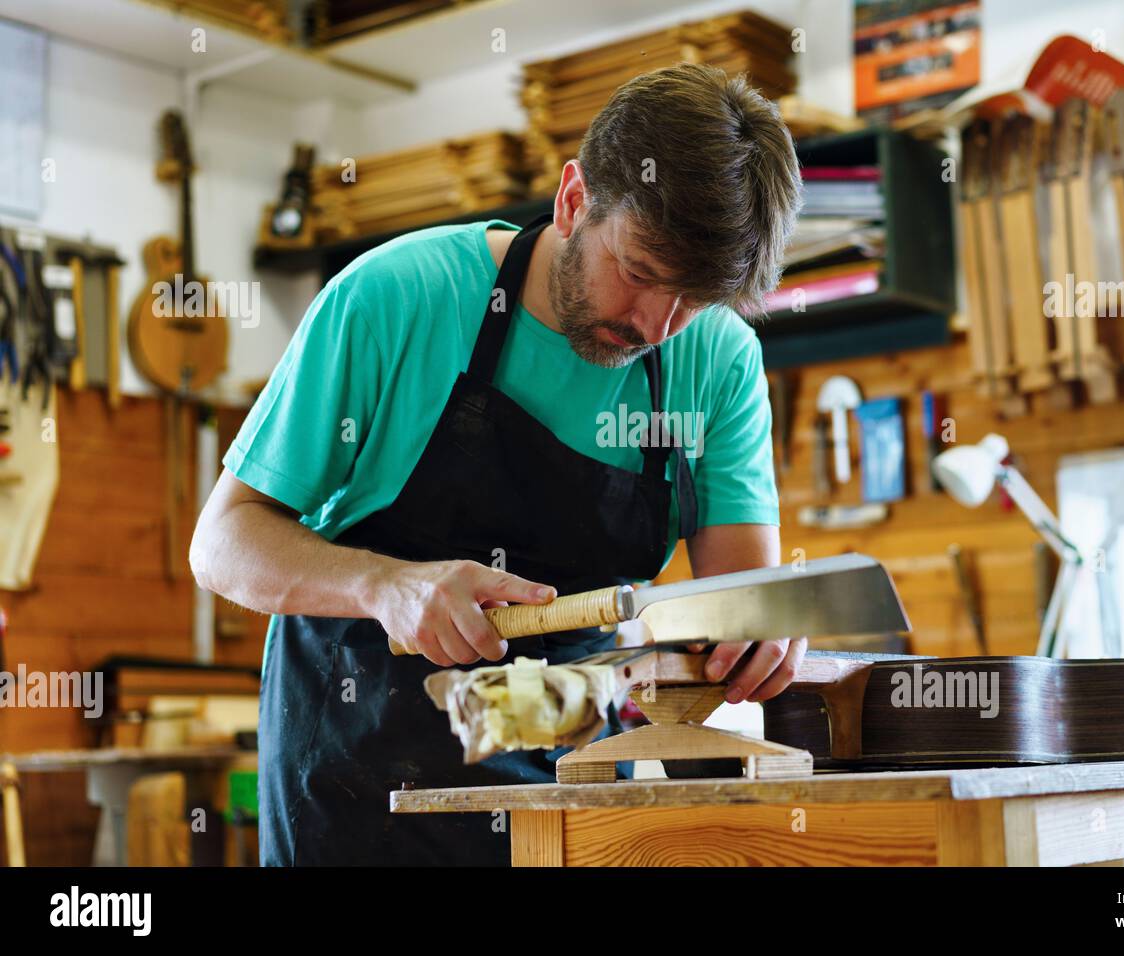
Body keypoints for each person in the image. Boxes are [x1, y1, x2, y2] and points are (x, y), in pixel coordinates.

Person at [190, 63, 806, 865]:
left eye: (694, 299)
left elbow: (738, 611)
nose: (657, 324)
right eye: (641, 272)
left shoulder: (718, 361)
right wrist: (385, 586)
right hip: (357, 785)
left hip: (572, 788)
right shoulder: (396, 297)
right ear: (575, 199)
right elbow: (222, 542)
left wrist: (764, 636)